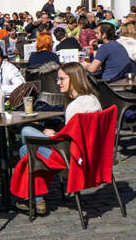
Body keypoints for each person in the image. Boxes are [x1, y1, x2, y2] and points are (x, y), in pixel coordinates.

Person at [14, 62, 102, 214]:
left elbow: (68, 143)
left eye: (62, 79)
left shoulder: (74, 107)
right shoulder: (93, 99)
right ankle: (37, 199)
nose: (58, 82)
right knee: (27, 148)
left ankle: (36, 199)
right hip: (91, 155)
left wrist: (53, 135)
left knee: (26, 137)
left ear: (73, 79)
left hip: (71, 159)